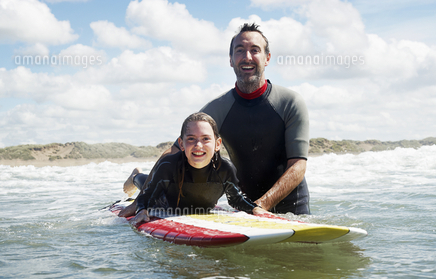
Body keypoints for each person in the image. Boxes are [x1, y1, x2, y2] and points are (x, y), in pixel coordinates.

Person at [122, 22, 310, 216]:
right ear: (230, 60)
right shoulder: (219, 108)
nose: (247, 57)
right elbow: (174, 153)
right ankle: (138, 177)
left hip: (291, 210)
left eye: (255, 50)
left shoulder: (290, 103)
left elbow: (298, 165)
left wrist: (260, 205)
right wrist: (141, 201)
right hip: (245, 208)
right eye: (239, 51)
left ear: (267, 58)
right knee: (169, 185)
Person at [132, 112, 266, 224]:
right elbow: (147, 197)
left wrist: (255, 209)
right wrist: (141, 210)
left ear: (217, 144)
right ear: (181, 144)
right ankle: (135, 176)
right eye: (191, 139)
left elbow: (236, 199)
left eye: (205, 139)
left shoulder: (225, 169)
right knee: (145, 182)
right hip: (163, 202)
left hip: (196, 207)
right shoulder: (168, 165)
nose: (198, 145)